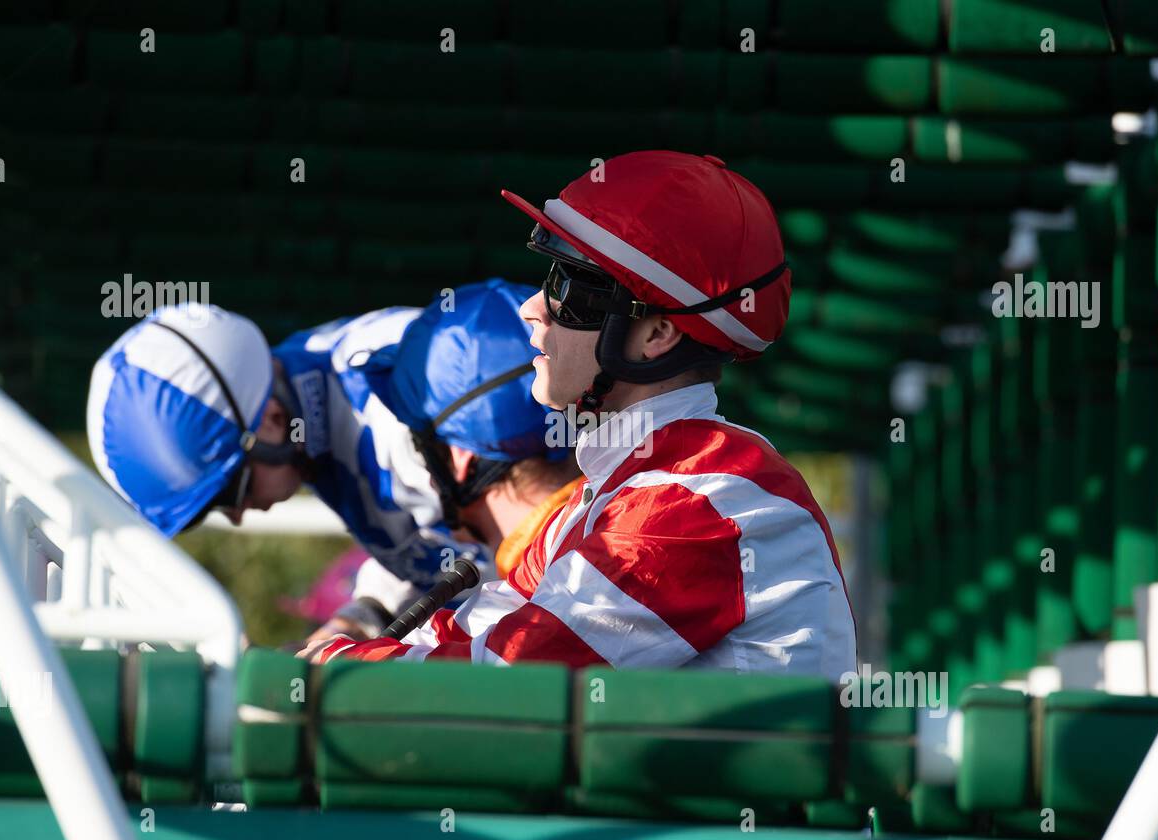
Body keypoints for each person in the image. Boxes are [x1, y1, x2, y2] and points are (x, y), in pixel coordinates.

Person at [304, 151, 857, 677]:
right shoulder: (603, 499)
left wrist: (332, 667)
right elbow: (463, 638)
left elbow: (502, 683)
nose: (534, 309)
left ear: (657, 334)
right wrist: (344, 651)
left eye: (569, 289)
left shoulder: (701, 498)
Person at [87, 279, 580, 641]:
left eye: (228, 494)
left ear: (271, 423)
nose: (237, 516)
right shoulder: (301, 383)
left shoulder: (406, 416)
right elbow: (426, 550)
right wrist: (362, 614)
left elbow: (538, 571)